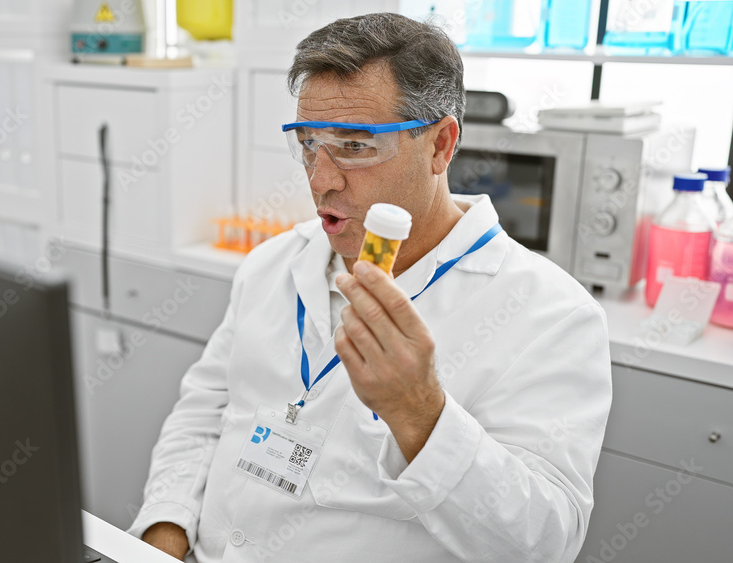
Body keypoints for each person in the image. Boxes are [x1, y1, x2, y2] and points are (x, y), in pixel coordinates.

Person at [129, 12, 611, 563]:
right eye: (309, 143)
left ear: (441, 145)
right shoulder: (272, 264)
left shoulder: (552, 315)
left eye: (356, 146)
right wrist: (162, 538)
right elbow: (206, 413)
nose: (321, 179)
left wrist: (420, 414)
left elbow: (543, 542)